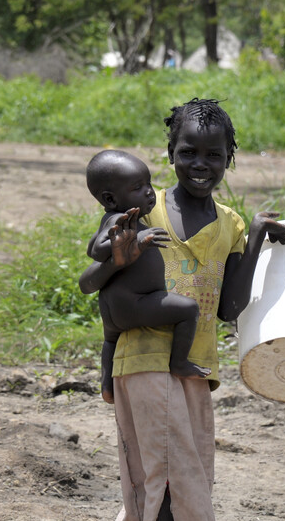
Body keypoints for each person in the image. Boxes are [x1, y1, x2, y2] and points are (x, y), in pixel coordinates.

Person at [36, 98, 285, 521]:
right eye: (186, 153)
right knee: (163, 497)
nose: (198, 164)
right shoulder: (140, 207)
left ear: (230, 157)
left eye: (212, 155)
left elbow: (227, 309)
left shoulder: (227, 224)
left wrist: (253, 240)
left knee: (167, 496)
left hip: (193, 369)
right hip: (146, 364)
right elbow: (95, 279)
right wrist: (112, 261)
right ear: (169, 154)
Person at [84, 149, 209, 404]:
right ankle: (179, 362)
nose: (149, 192)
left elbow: (90, 246)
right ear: (110, 199)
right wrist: (137, 239)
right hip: (135, 302)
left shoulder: (118, 218)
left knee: (110, 341)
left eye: (149, 183)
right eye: (138, 187)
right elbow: (97, 250)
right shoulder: (119, 219)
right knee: (188, 309)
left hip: (113, 306)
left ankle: (107, 387)